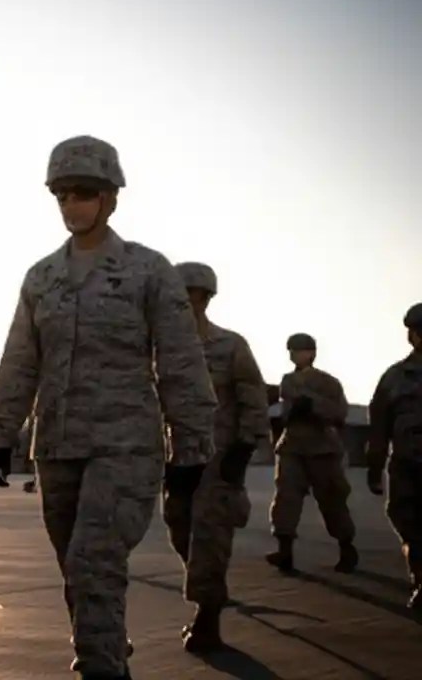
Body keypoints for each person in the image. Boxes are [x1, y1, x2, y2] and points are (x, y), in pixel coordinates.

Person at [0, 135, 216, 680]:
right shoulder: (41, 278)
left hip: (126, 446)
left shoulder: (148, 271)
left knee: (92, 563)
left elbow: (180, 361)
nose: (71, 205)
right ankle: (105, 644)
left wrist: (192, 448)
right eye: (61, 194)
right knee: (77, 569)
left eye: (83, 192)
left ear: (111, 197)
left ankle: (101, 666)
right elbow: (21, 359)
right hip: (58, 449)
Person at [167, 262, 272, 652]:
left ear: (205, 297)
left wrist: (242, 452)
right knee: (179, 528)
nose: (183, 301)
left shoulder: (230, 345)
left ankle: (207, 616)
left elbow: (253, 398)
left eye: (190, 293)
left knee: (210, 535)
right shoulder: (158, 345)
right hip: (175, 459)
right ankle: (209, 592)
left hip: (217, 458)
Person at [266, 332, 358, 574]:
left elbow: (339, 413)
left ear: (312, 353)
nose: (296, 355)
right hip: (293, 446)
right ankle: (285, 551)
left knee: (332, 499)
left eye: (301, 350)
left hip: (322, 448)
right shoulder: (287, 380)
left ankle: (346, 546)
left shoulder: (328, 382)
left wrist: (313, 404)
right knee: (286, 499)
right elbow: (284, 412)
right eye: (293, 351)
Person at [365, 302, 422, 615]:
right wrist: (374, 468)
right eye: (419, 331)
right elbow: (379, 425)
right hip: (407, 466)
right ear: (411, 336)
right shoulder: (394, 377)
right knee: (408, 521)